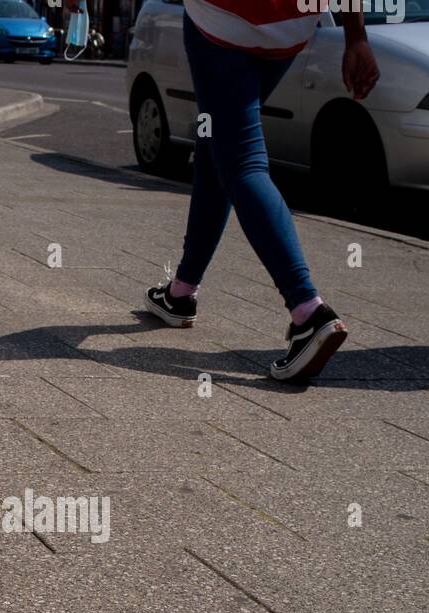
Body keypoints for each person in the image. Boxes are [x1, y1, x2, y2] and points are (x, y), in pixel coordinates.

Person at [128, 1, 378, 381]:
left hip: (223, 20)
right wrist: (356, 35)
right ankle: (180, 292)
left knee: (243, 160)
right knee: (216, 141)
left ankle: (308, 311)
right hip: (290, 28)